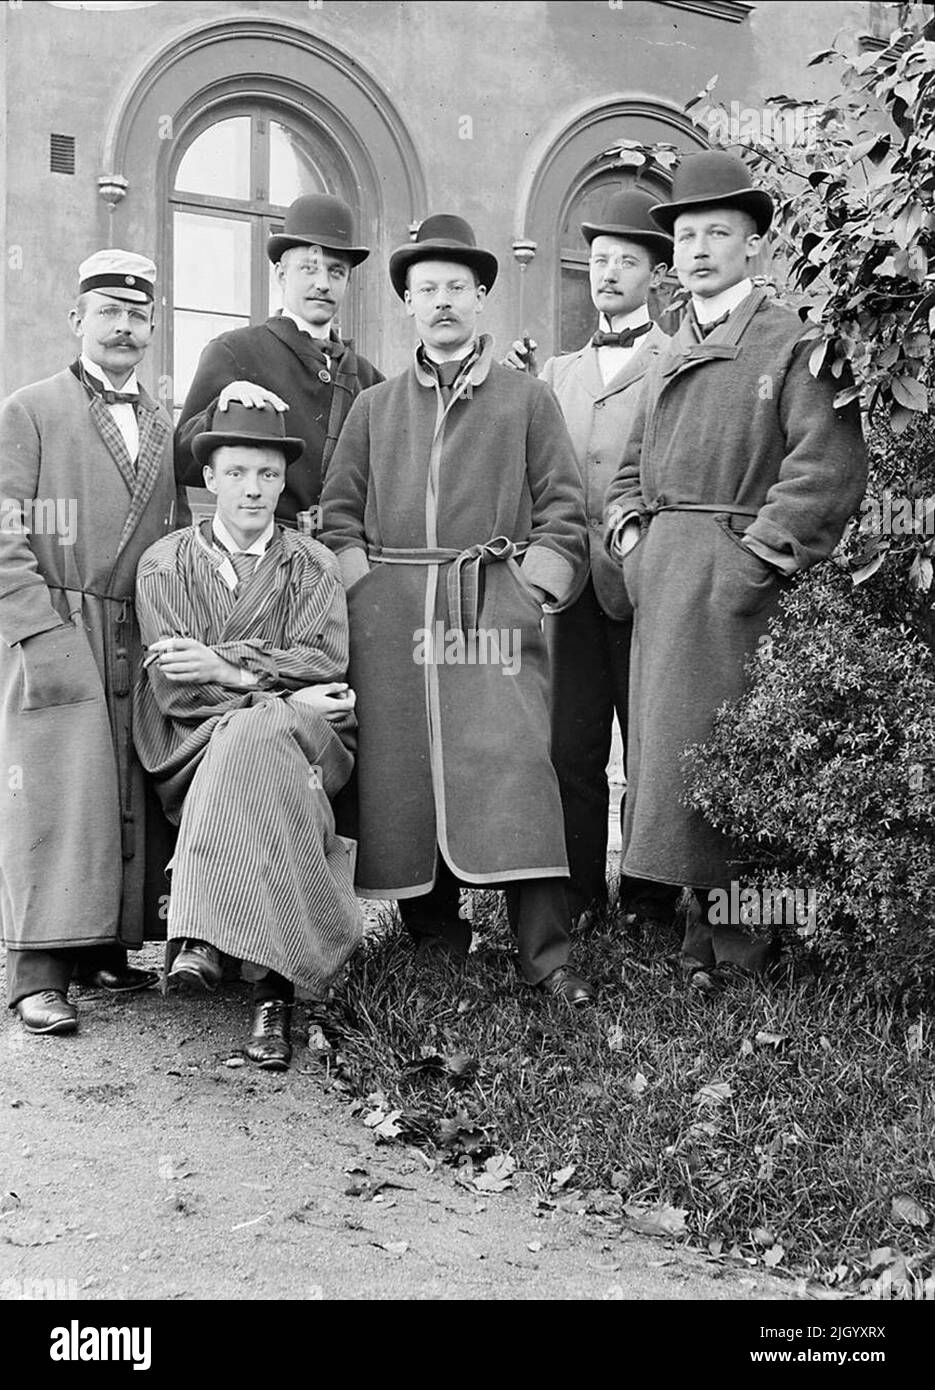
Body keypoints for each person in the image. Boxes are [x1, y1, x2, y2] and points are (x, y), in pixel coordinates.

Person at [604, 151, 867, 989]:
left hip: (735, 583)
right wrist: (628, 541)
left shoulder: (791, 341)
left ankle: (747, 948)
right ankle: (698, 935)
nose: (699, 249)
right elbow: (626, 468)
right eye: (685, 235)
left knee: (737, 759)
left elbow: (824, 468)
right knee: (674, 760)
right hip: (664, 577)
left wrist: (755, 558)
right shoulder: (669, 345)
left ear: (753, 246)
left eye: (719, 233)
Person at [320, 214, 594, 1008]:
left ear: (480, 298)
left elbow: (564, 510)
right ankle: (435, 938)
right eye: (424, 289)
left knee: (513, 769)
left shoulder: (526, 400)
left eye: (455, 289)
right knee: (405, 771)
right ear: (406, 303)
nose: (440, 302)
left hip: (490, 610)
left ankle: (545, 954)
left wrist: (529, 591)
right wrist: (366, 588)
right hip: (395, 615)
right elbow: (338, 515)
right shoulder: (373, 407)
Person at [134, 401, 362, 1070]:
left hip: (305, 739)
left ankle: (199, 932)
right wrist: (272, 684)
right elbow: (178, 687)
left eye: (267, 474)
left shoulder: (312, 563)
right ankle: (273, 996)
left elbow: (326, 661)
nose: (254, 489)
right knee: (253, 739)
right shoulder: (166, 562)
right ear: (210, 478)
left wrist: (223, 661)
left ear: (282, 482)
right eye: (237, 473)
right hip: (190, 740)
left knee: (258, 739)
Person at [0, 250, 186, 1034]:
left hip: (133, 625)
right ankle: (37, 972)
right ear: (77, 319)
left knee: (122, 787)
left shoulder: (163, 423)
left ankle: (105, 946)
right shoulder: (30, 408)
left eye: (138, 315)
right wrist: (35, 627)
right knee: (55, 787)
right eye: (108, 311)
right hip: (57, 617)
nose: (123, 327)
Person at [507, 189, 679, 934]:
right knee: (570, 744)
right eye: (599, 260)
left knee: (649, 745)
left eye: (626, 261)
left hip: (645, 586)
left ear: (655, 275)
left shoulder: (677, 361)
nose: (608, 273)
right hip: (569, 591)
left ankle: (647, 899)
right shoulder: (555, 372)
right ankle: (577, 894)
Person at [175, 194, 382, 530]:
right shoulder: (235, 352)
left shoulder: (370, 379)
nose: (322, 284)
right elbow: (184, 462)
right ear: (281, 274)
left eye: (336, 272)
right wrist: (220, 408)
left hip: (342, 559)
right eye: (308, 268)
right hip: (262, 555)